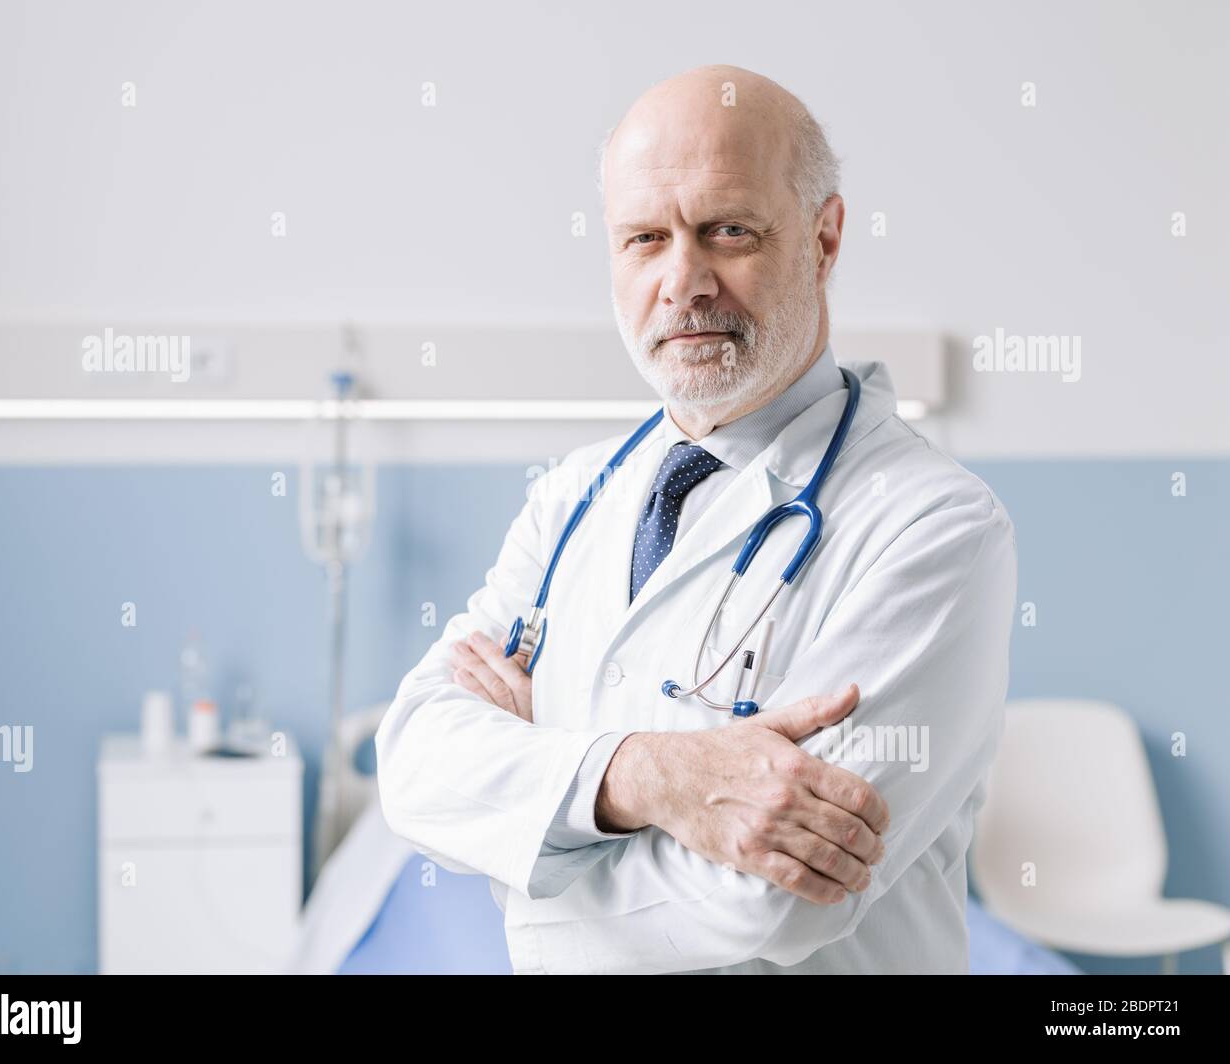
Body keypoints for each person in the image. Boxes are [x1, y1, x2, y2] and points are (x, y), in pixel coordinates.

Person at [376, 64, 1017, 974]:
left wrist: (521, 855)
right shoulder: (570, 498)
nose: (684, 282)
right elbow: (413, 766)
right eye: (644, 238)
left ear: (824, 239)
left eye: (728, 231)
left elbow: (772, 905)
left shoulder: (932, 529)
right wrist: (648, 776)